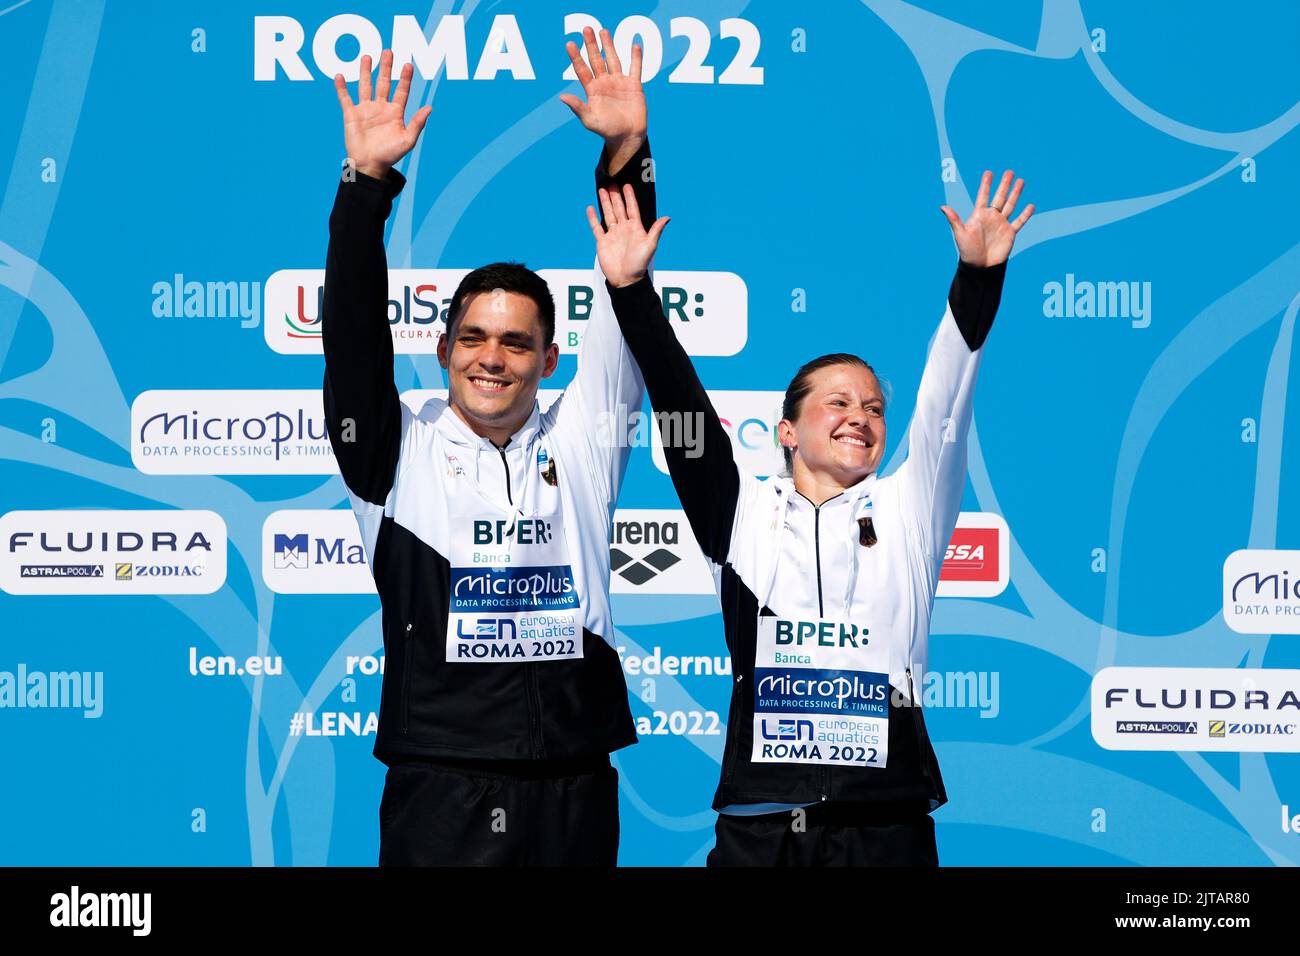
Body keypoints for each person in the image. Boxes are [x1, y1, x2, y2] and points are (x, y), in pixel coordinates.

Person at [588, 170, 1033, 866]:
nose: (860, 415)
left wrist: (977, 278)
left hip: (885, 823)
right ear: (787, 431)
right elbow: (680, 408)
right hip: (761, 827)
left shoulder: (909, 507)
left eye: (874, 407)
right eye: (838, 402)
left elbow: (947, 404)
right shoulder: (740, 512)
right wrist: (631, 294)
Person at [321, 29, 658, 866]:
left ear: (549, 359)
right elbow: (353, 333)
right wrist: (366, 186)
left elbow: (625, 279)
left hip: (575, 780)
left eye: (515, 344)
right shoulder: (392, 451)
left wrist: (626, 151)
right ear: (443, 354)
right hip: (442, 784)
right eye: (472, 338)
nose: (491, 358)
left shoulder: (582, 441)